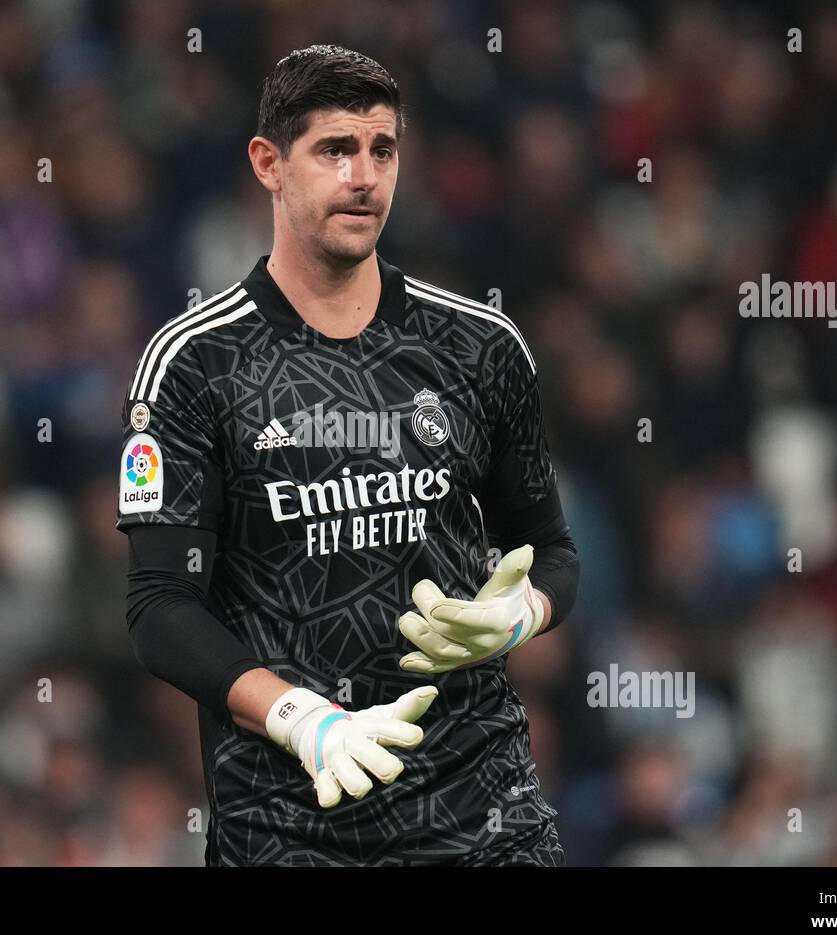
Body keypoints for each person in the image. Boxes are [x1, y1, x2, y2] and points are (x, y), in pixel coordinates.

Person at [118, 44, 580, 866]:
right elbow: (160, 611)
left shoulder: (480, 347)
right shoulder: (195, 365)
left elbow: (552, 553)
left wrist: (518, 615)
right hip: (287, 830)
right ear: (269, 163)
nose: (363, 176)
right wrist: (303, 718)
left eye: (383, 151)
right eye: (335, 149)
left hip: (482, 819)